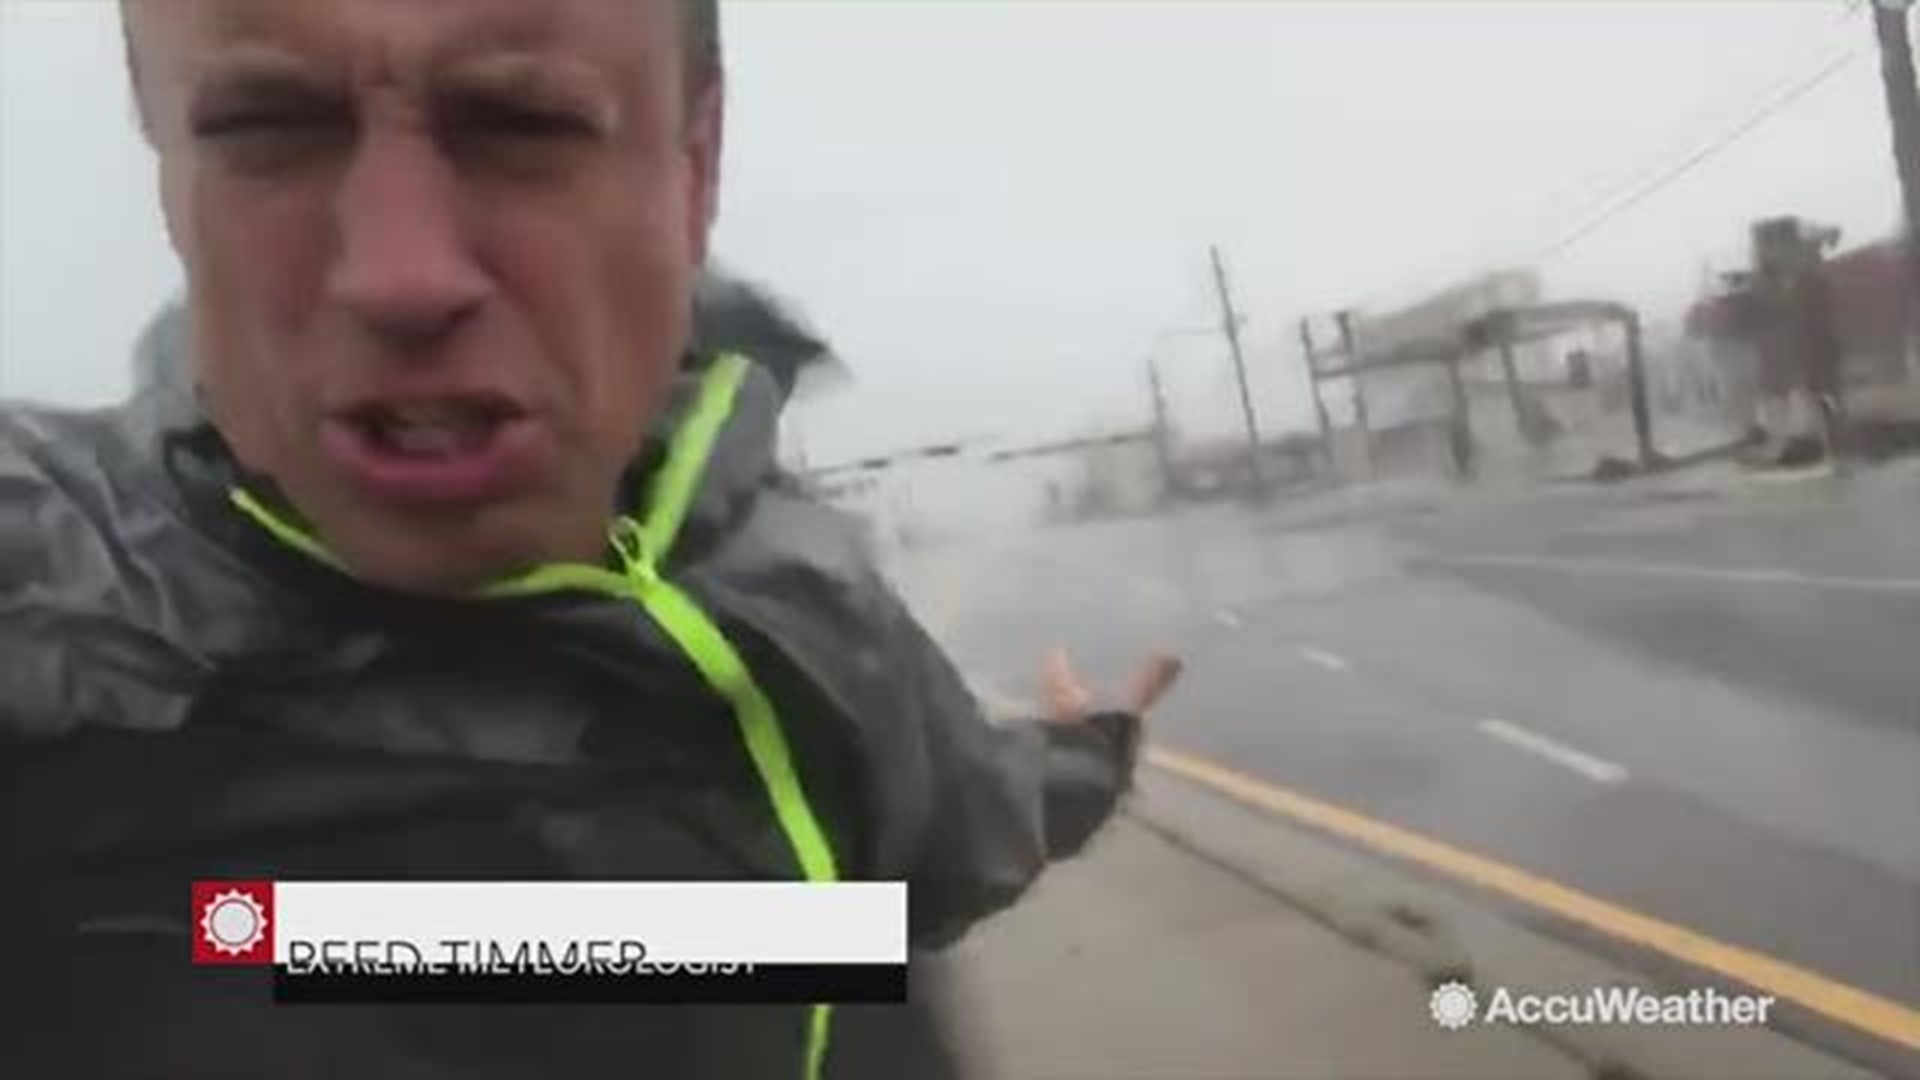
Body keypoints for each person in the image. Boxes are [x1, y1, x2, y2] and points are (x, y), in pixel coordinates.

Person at [0, 2, 1180, 1077]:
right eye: (267, 123)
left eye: (521, 119)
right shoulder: (61, 615)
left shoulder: (808, 623)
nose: (399, 276)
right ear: (167, 175)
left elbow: (972, 817)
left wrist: (1096, 745)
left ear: (694, 172)